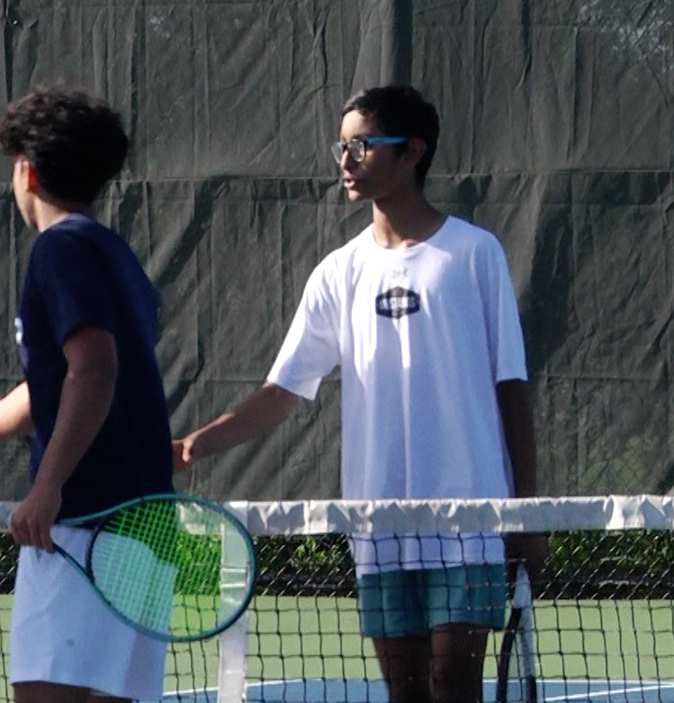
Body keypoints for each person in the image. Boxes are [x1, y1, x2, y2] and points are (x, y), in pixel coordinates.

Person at [174, 85, 545, 703]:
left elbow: (512, 386)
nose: (346, 159)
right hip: (376, 526)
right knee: (405, 692)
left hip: (471, 520)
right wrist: (195, 443)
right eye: (342, 146)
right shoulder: (337, 272)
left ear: (411, 153)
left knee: (454, 686)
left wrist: (529, 515)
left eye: (362, 145)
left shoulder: (475, 255)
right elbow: (284, 389)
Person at [0, 87, 173, 703]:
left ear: (27, 172)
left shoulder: (58, 249)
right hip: (142, 526)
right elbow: (61, 384)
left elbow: (93, 371)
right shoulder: (115, 255)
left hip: (84, 527)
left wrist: (47, 487)